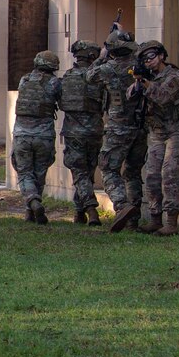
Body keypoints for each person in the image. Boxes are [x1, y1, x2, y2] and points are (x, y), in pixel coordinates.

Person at [89, 28, 147, 232]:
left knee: (108, 168)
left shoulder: (107, 68)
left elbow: (89, 76)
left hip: (118, 127)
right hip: (141, 127)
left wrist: (102, 57)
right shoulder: (140, 66)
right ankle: (133, 221)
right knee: (132, 171)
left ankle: (122, 206)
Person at [132, 41, 179, 235]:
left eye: (151, 57)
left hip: (177, 131)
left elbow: (163, 96)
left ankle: (171, 223)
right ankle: (155, 219)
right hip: (158, 132)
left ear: (161, 56)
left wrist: (146, 84)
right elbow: (130, 96)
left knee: (170, 174)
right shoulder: (149, 78)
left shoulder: (174, 76)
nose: (148, 62)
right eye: (144, 59)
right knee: (151, 175)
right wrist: (137, 84)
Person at [59, 40, 106, 225]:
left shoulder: (67, 77)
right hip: (94, 130)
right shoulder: (98, 76)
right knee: (87, 172)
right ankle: (79, 212)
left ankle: (91, 209)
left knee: (79, 173)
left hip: (73, 132)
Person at [12, 50, 62, 224]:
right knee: (40, 173)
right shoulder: (55, 83)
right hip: (44, 136)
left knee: (25, 173)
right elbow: (62, 102)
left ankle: (32, 203)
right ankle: (32, 207)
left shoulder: (24, 80)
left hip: (21, 135)